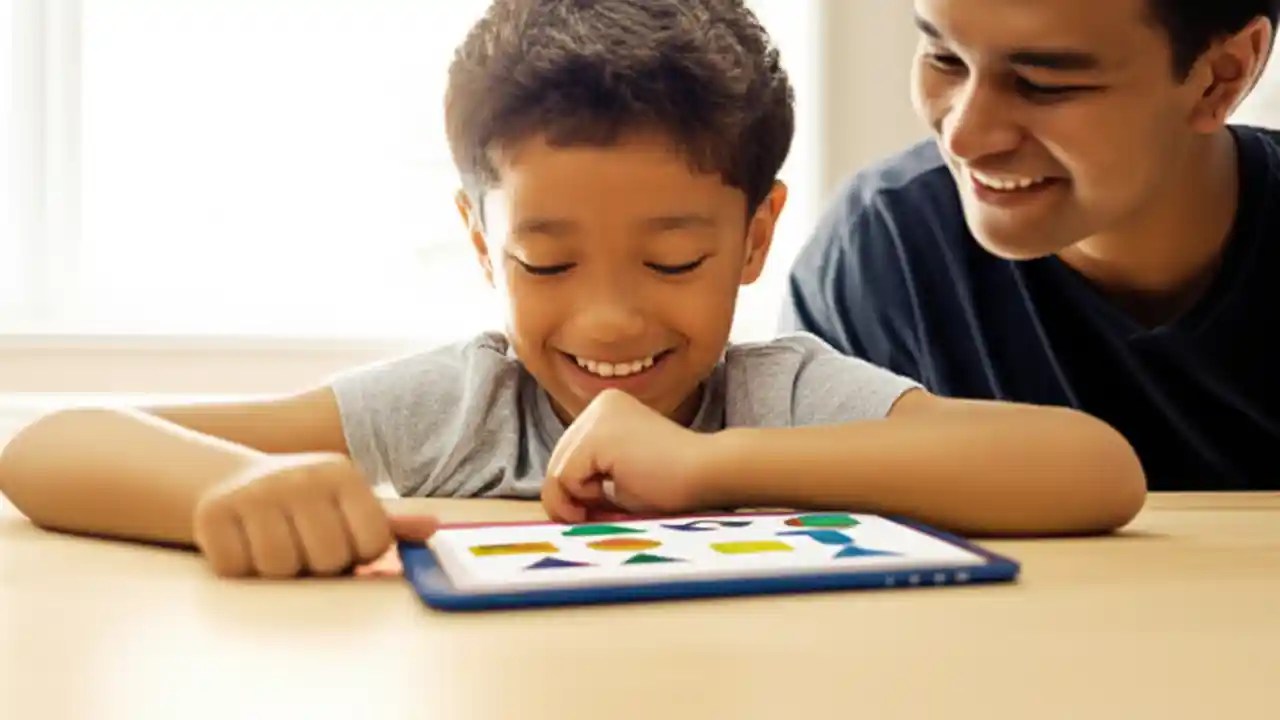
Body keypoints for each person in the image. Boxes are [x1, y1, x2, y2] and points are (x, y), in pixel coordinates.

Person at [0, 0, 1145, 580]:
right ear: (476, 237)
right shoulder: (455, 407)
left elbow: (1090, 470)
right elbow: (50, 446)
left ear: (755, 240)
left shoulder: (784, 397)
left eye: (672, 262)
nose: (606, 318)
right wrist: (234, 491)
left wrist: (712, 465)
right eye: (544, 263)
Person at [783, 0, 1280, 489]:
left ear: (1221, 76)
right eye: (945, 59)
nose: (964, 138)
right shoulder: (882, 253)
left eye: (1044, 85)